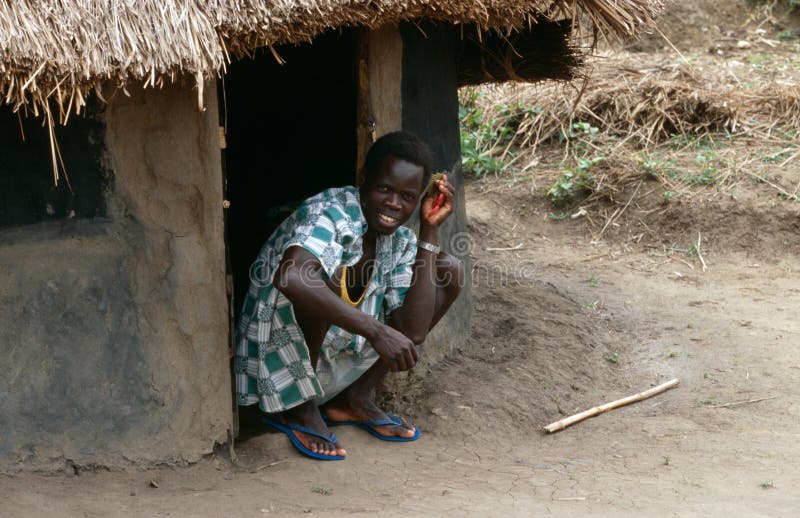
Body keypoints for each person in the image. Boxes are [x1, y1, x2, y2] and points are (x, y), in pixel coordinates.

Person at [234, 131, 463, 460]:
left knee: (450, 270)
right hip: (277, 359)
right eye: (384, 188)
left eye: (407, 197)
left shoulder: (397, 238)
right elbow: (292, 276)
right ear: (364, 179)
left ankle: (353, 399)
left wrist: (429, 230)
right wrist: (376, 330)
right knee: (316, 281)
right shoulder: (332, 213)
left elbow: (412, 330)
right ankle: (298, 408)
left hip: (332, 357)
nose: (394, 204)